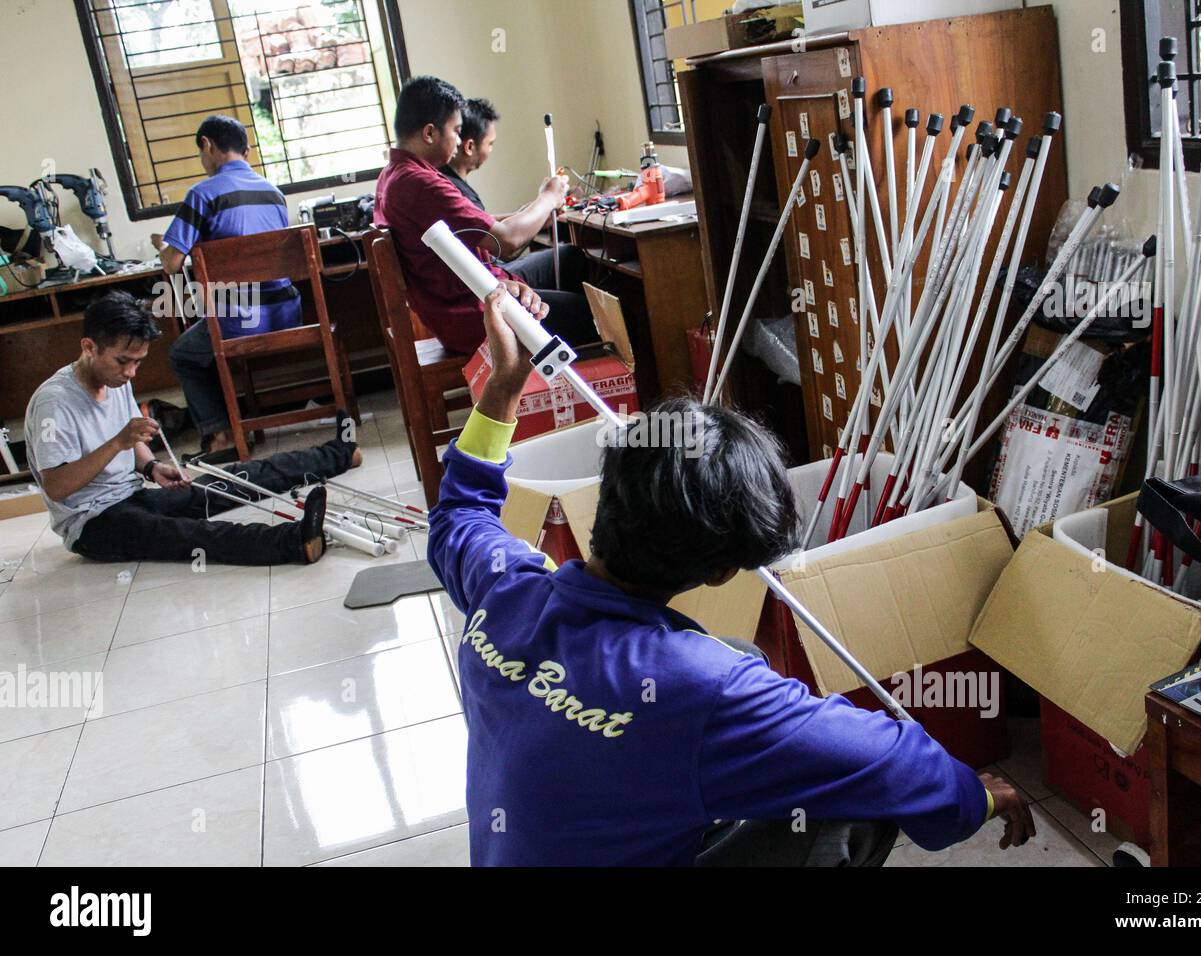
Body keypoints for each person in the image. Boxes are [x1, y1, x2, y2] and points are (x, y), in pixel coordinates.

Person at [426, 286, 1037, 866]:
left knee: (736, 661)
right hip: (682, 727)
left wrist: (505, 383)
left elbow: (459, 511)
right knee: (857, 804)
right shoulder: (702, 688)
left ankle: (685, 797)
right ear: (721, 572)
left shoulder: (505, 587)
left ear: (609, 490)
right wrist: (974, 798)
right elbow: (890, 760)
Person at [23, 291, 358, 566]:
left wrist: (151, 466)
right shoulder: (54, 403)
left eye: (138, 362)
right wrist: (117, 444)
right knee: (187, 533)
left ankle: (338, 454)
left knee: (229, 480)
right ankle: (295, 541)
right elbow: (56, 486)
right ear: (88, 347)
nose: (130, 373)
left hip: (132, 496)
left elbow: (131, 439)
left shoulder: (115, 378)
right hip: (92, 525)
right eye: (123, 361)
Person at [375, 76, 596, 356]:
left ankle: (557, 376)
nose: (458, 140)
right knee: (594, 315)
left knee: (570, 257)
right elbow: (507, 242)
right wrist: (548, 198)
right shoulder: (421, 184)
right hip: (474, 314)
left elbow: (477, 225)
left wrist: (537, 206)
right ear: (430, 133)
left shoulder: (393, 176)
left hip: (473, 294)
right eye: (455, 130)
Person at [152, 114, 302, 462]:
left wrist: (163, 245)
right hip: (287, 312)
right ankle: (235, 423)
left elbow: (172, 263)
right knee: (207, 329)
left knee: (184, 354)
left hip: (240, 321)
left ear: (207, 145)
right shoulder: (274, 193)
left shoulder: (202, 194)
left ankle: (222, 434)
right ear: (247, 151)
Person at [441, 96, 590, 289]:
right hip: (494, 284)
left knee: (565, 254)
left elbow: (486, 222)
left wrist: (534, 210)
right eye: (490, 143)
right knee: (571, 256)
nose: (491, 150)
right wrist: (547, 198)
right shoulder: (450, 189)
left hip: (493, 274)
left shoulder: (450, 182)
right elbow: (506, 247)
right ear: (470, 146)